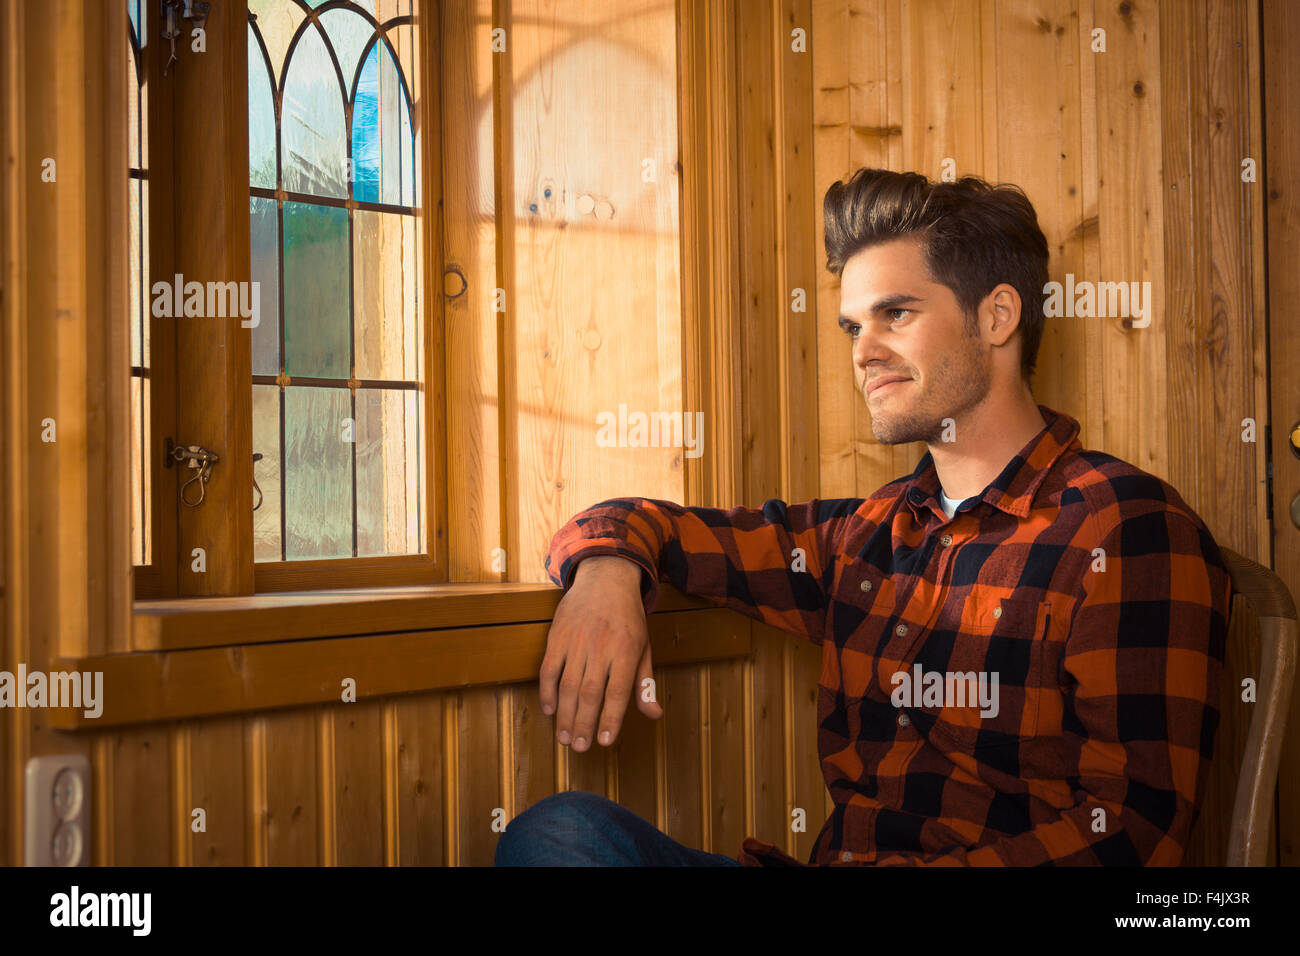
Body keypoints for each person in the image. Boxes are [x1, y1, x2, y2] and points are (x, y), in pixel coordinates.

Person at [495, 168, 1230, 866]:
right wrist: (605, 572)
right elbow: (656, 524)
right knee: (561, 835)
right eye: (852, 328)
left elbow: (1134, 839)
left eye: (896, 314)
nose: (864, 353)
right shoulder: (868, 533)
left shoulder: (1123, 525)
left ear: (997, 316)